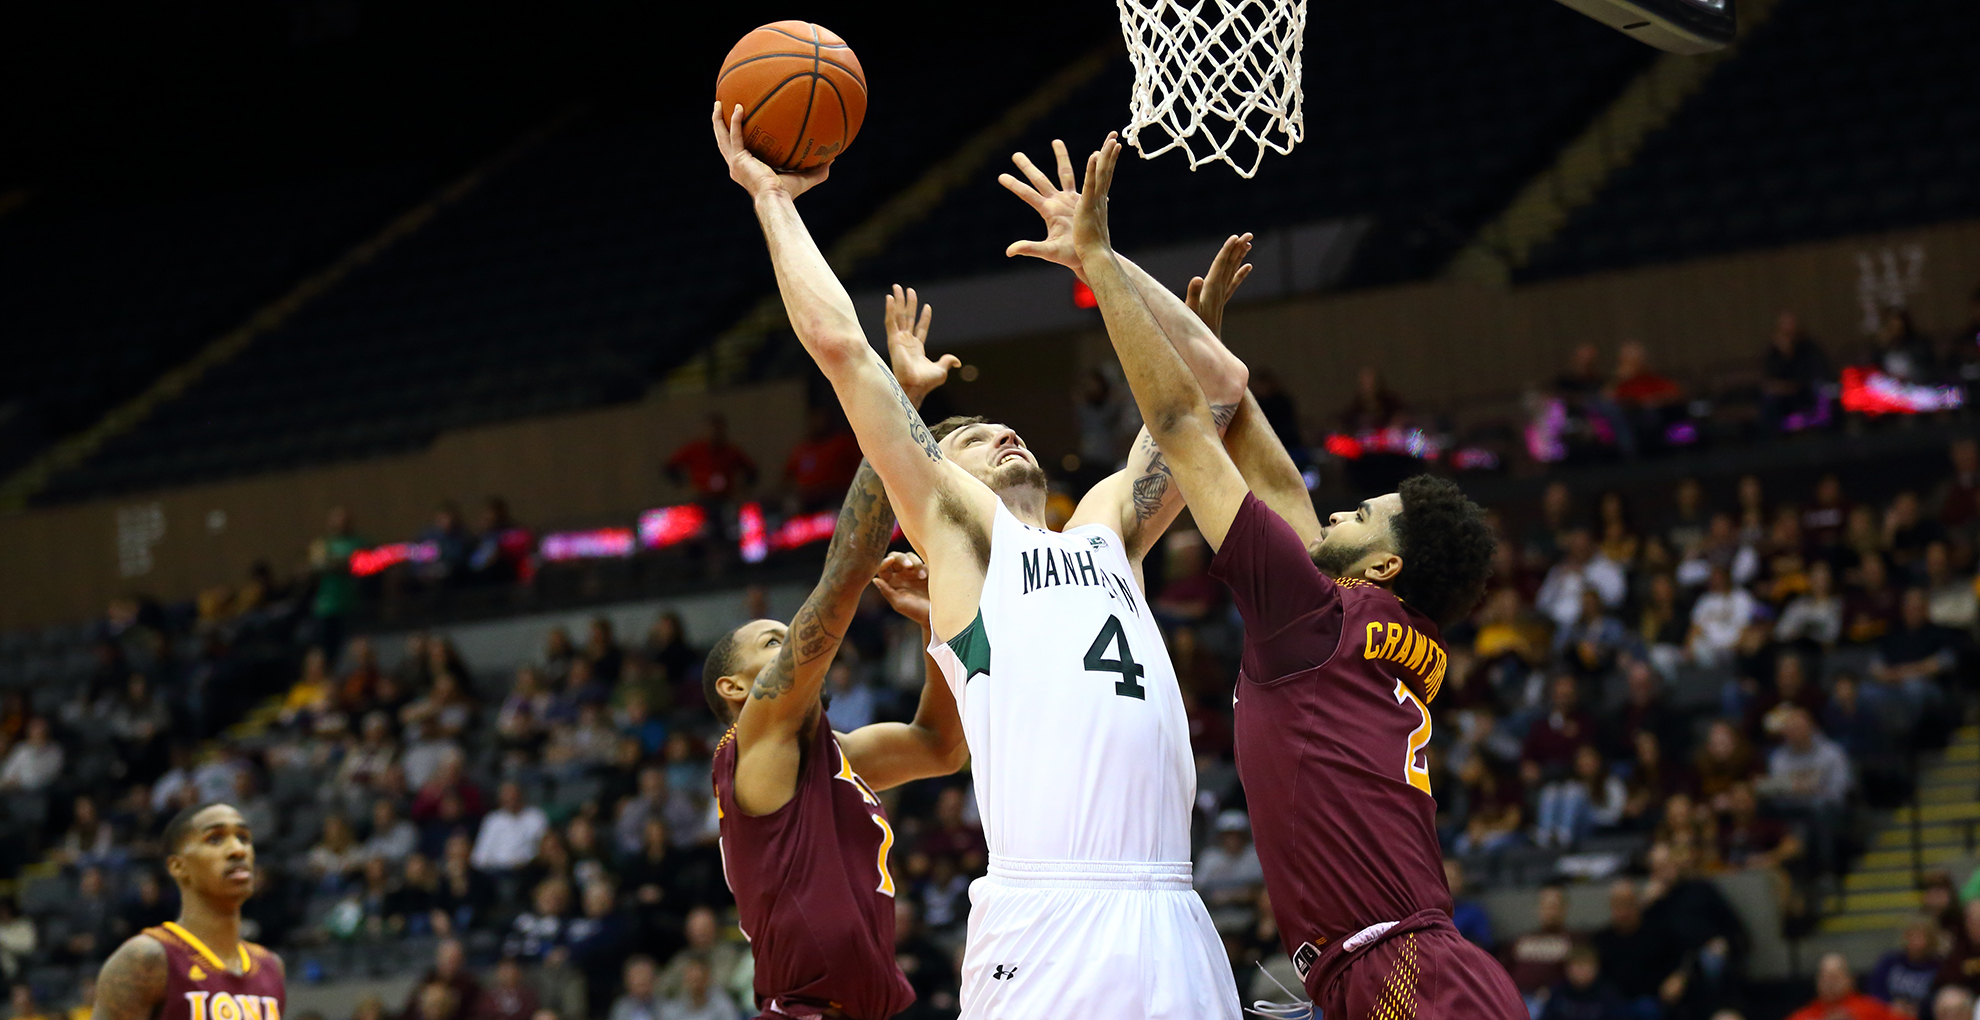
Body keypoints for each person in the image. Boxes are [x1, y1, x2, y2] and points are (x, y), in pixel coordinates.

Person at [718, 111, 1254, 1020]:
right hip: (1050, 917)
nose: (999, 430)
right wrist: (772, 199)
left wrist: (1102, 262)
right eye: (964, 437)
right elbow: (844, 351)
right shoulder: (965, 539)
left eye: (1001, 427)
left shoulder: (1104, 527)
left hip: (1173, 905)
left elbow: (1218, 397)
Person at [1052, 134, 1519, 1017]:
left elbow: (1187, 422)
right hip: (1395, 963)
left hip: (1397, 970)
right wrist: (1162, 302)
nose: (1335, 510)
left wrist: (1099, 263)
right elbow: (1228, 392)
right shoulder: (1360, 625)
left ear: (1385, 563)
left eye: (1361, 515)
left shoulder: (1315, 620)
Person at [699, 303, 972, 1020]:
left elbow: (942, 747)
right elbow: (847, 568)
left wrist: (940, 623)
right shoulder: (752, 741)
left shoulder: (834, 759)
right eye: (771, 642)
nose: (791, 641)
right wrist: (901, 403)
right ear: (735, 688)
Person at [88, 804, 285, 1020]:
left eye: (244, 838)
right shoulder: (146, 959)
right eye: (215, 839)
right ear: (178, 867)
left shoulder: (271, 967)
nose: (238, 850)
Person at [1785, 952, 1902, 1020]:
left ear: (1850, 979)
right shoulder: (1803, 1016)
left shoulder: (1873, 1010)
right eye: (1825, 977)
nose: (1830, 983)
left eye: (1835, 977)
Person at [1866, 916, 1943, 1015]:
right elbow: (1875, 989)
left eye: (1921, 937)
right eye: (1911, 936)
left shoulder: (1938, 966)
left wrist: (1920, 1008)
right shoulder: (1890, 961)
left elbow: (1937, 997)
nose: (1916, 942)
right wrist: (1891, 1004)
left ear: (1931, 940)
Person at [1537, 945, 1628, 1020]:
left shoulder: (1608, 994)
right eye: (1577, 967)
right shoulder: (1558, 992)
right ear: (1568, 969)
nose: (1582, 972)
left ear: (1596, 969)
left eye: (1586, 967)